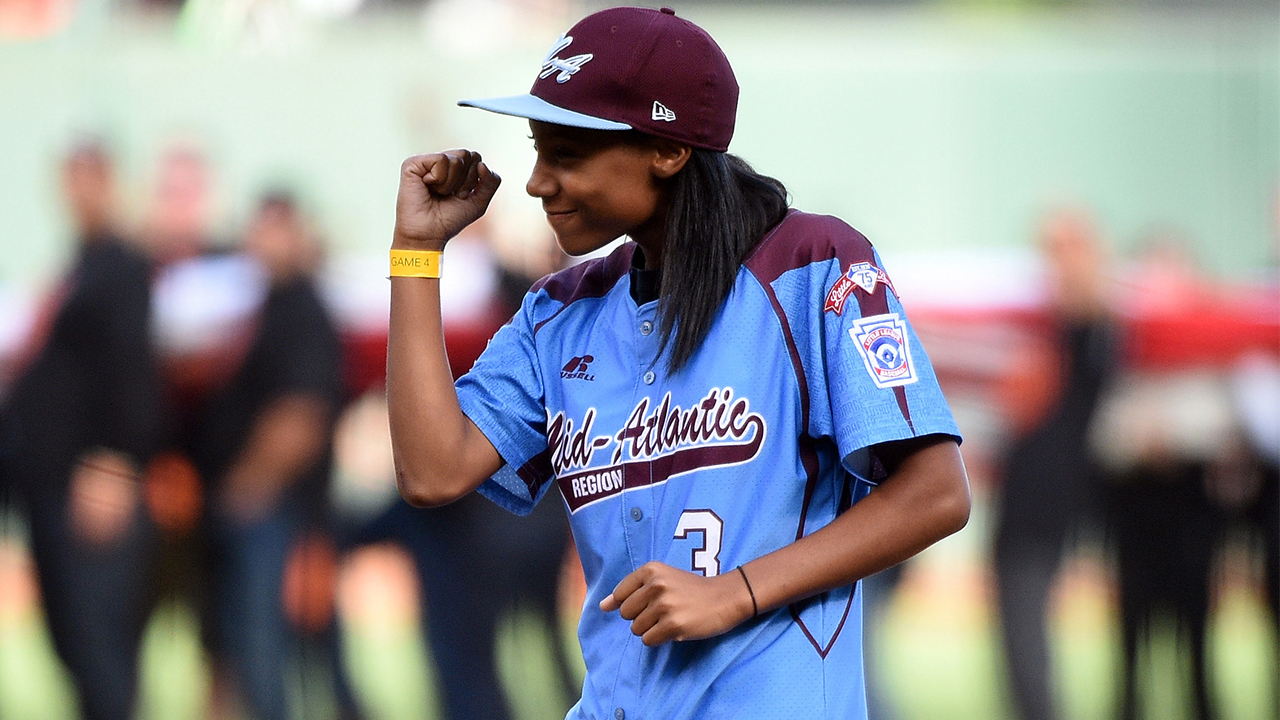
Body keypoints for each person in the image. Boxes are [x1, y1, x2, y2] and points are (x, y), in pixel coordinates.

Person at [385, 7, 971, 719]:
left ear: (666, 150)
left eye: (566, 154)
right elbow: (432, 470)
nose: (538, 182)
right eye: (539, 150)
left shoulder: (811, 264)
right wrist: (416, 253)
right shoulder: (560, 309)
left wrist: (737, 590)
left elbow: (937, 493)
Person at [0, 140, 163, 720]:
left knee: (101, 659)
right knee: (74, 650)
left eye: (92, 176)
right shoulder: (80, 261)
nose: (80, 189)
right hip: (47, 482)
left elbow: (131, 371)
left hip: (89, 486)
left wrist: (114, 461)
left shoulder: (120, 264)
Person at [188, 191, 344, 720]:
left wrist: (248, 488)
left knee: (268, 653)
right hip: (254, 510)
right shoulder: (260, 304)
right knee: (242, 649)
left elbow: (301, 415)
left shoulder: (302, 305)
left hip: (274, 511)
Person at [991, 209, 1118, 720]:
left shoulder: (1092, 330)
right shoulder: (1056, 328)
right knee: (1017, 631)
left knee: (1025, 629)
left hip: (1043, 503)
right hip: (1027, 498)